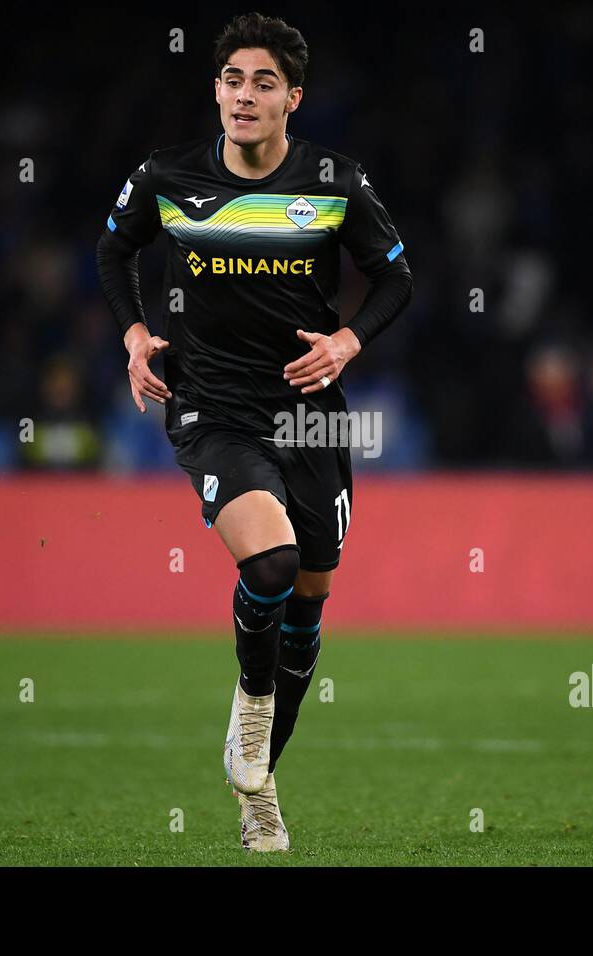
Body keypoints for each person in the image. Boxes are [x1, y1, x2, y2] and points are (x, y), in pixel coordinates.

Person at [96, 13, 412, 850]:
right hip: (211, 407)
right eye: (232, 80)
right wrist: (133, 333)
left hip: (308, 416)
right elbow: (112, 251)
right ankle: (252, 709)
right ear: (216, 91)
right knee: (268, 563)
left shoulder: (335, 182)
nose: (244, 95)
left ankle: (258, 785)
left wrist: (347, 339)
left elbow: (396, 276)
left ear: (292, 99)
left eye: (263, 83)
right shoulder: (167, 177)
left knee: (309, 599)